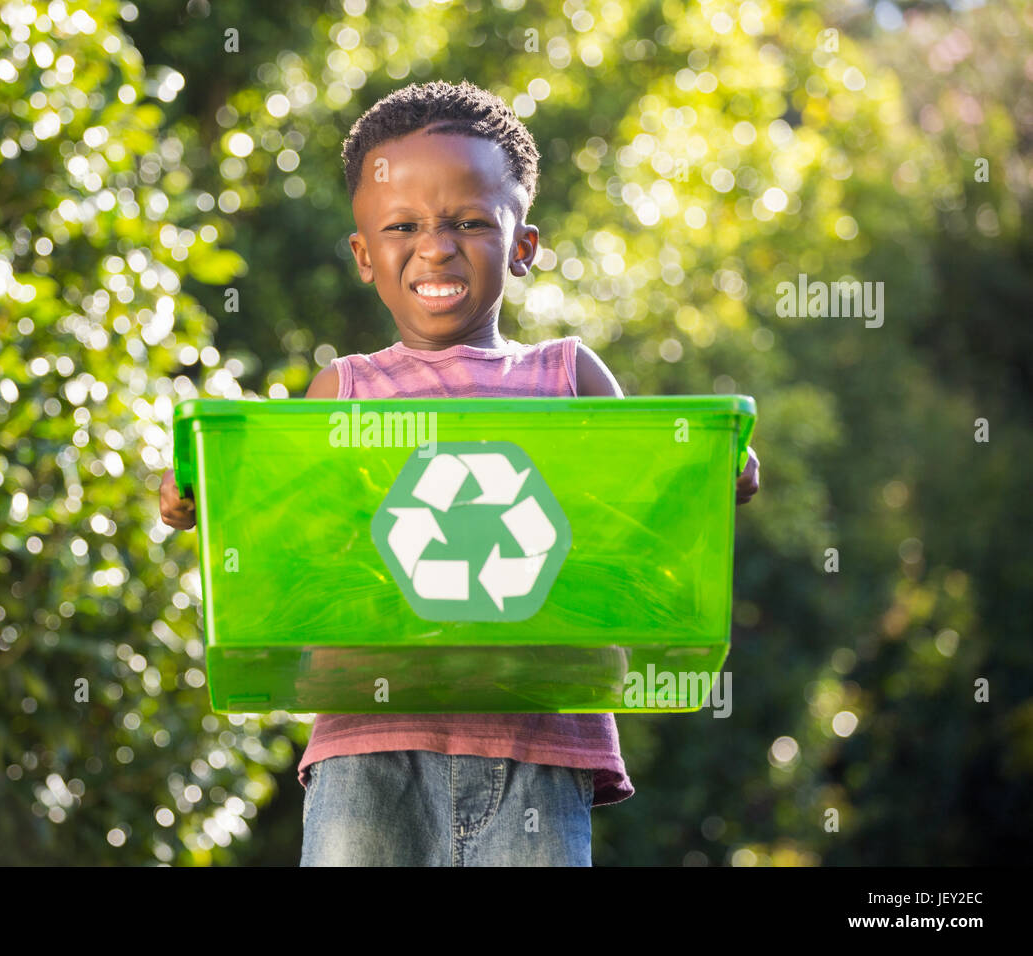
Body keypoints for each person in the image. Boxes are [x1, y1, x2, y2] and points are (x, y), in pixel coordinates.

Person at [159, 80, 760, 866]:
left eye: (470, 222)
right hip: (367, 742)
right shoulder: (345, 389)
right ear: (364, 253)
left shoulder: (567, 375)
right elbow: (293, 546)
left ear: (523, 246)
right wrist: (207, 496)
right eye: (402, 225)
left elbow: (636, 523)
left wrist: (707, 475)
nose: (436, 246)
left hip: (539, 745)